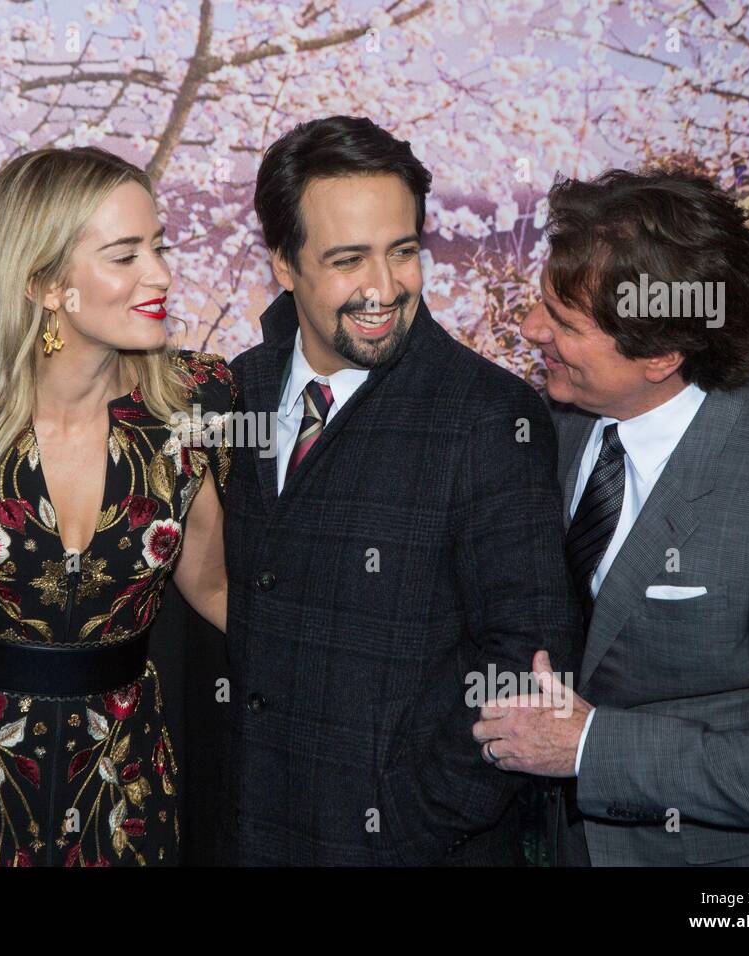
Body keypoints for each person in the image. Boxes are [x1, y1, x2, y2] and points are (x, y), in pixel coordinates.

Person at [476, 168, 749, 866]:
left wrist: (592, 748)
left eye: (564, 323)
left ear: (661, 355)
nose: (530, 329)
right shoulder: (556, 423)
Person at [220, 115, 581, 866]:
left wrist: (413, 818)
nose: (384, 288)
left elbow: (527, 661)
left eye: (404, 252)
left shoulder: (489, 418)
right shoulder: (234, 393)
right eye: (349, 259)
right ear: (284, 264)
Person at [0, 146, 233, 867]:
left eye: (158, 248)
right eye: (125, 255)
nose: (160, 275)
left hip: (124, 787)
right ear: (44, 282)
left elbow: (215, 587)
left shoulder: (194, 404)